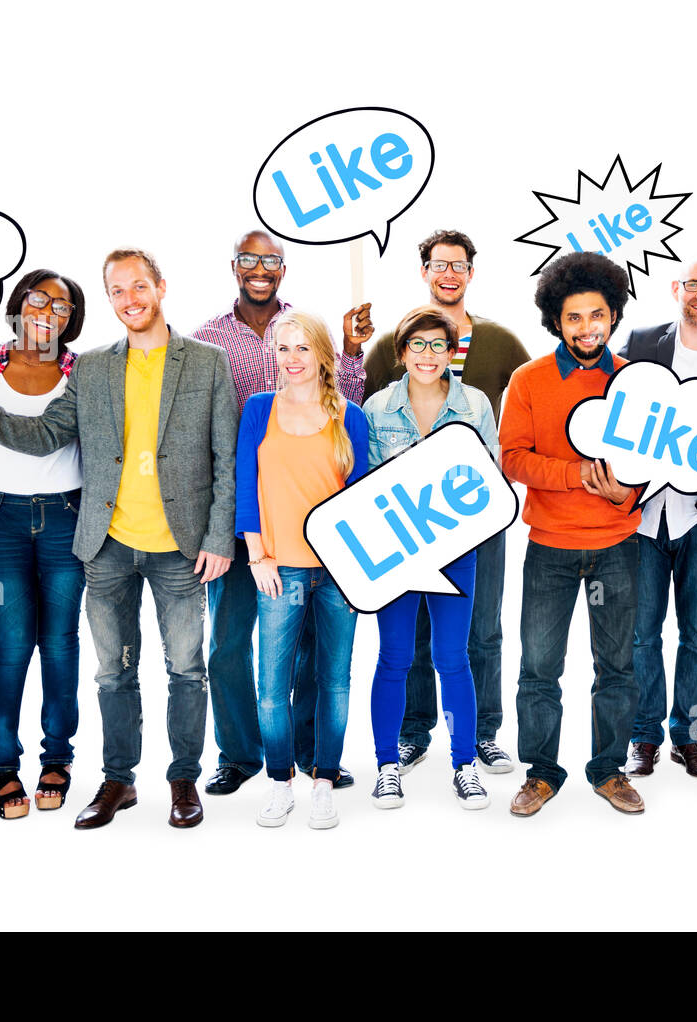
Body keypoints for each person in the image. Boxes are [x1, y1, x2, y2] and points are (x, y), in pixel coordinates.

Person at [0, 248, 236, 830]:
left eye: (138, 286)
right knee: (111, 673)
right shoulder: (95, 367)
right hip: (104, 545)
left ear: (160, 287)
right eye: (117, 291)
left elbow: (226, 457)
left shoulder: (207, 362)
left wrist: (220, 535)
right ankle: (117, 781)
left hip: (181, 549)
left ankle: (182, 779)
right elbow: (46, 431)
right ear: (109, 302)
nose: (130, 299)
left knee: (186, 669)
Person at [193, 229, 371, 794]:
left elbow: (347, 408)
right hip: (242, 520)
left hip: (312, 536)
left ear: (284, 268)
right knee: (227, 645)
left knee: (309, 658)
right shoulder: (207, 341)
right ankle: (242, 757)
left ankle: (308, 756)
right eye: (250, 259)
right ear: (234, 266)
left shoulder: (309, 329)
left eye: (272, 260)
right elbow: (217, 445)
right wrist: (245, 539)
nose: (260, 268)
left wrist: (351, 350)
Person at [364, 229, 529, 774]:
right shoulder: (393, 342)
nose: (449, 273)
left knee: (482, 627)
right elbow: (356, 418)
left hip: (477, 519)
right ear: (425, 272)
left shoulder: (502, 343)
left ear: (471, 273)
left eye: (458, 264)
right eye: (439, 264)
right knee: (409, 631)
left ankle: (481, 730)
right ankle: (414, 731)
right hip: (404, 521)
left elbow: (530, 404)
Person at [499, 252, 645, 817]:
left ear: (613, 316)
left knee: (616, 665)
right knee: (539, 666)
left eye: (597, 315)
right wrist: (577, 475)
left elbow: (648, 464)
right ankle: (540, 773)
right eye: (574, 318)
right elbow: (513, 458)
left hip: (616, 546)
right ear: (556, 323)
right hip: (550, 550)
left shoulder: (634, 379)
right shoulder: (529, 379)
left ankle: (609, 771)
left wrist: (621, 494)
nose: (587, 328)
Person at [0, 268, 87, 819]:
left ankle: (58, 757)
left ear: (72, 320)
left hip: (66, 519)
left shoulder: (83, 371)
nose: (49, 312)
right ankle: (1, 765)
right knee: (9, 645)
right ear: (19, 303)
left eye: (63, 307)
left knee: (60, 642)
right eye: (40, 299)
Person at [237, 311, 368, 830]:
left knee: (334, 681)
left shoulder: (348, 416)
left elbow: (360, 499)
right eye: (283, 348)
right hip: (278, 567)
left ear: (322, 355)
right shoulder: (257, 410)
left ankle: (324, 782)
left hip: (337, 571)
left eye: (302, 349)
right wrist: (257, 554)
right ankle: (279, 782)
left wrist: (358, 571)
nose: (292, 360)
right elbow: (247, 486)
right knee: (272, 687)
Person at [363, 306, 497, 809]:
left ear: (452, 352)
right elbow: (369, 485)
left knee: (452, 657)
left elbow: (489, 475)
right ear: (401, 353)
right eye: (417, 345)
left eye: (437, 345)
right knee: (394, 658)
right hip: (396, 555)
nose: (427, 354)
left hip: (456, 552)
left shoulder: (475, 404)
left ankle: (464, 764)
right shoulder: (377, 408)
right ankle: (387, 766)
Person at [618, 259, 697, 782]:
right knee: (640, 635)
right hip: (643, 517)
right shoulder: (641, 341)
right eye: (694, 284)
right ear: (676, 289)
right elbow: (613, 412)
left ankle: (690, 739)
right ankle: (644, 736)